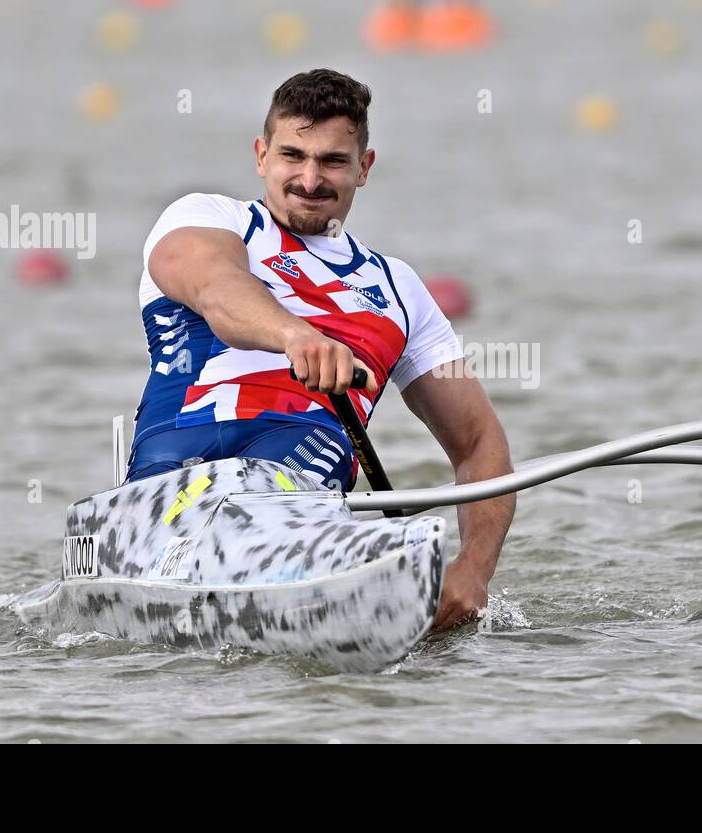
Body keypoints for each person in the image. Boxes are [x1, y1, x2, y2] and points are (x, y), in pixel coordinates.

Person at [127, 68, 514, 630]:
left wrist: (472, 573)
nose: (310, 179)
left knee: (305, 474)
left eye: (333, 161)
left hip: (302, 489)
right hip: (173, 478)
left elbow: (480, 443)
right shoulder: (209, 219)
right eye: (292, 155)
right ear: (261, 155)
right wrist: (296, 336)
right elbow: (215, 290)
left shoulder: (400, 290)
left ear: (364, 167)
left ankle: (345, 586)